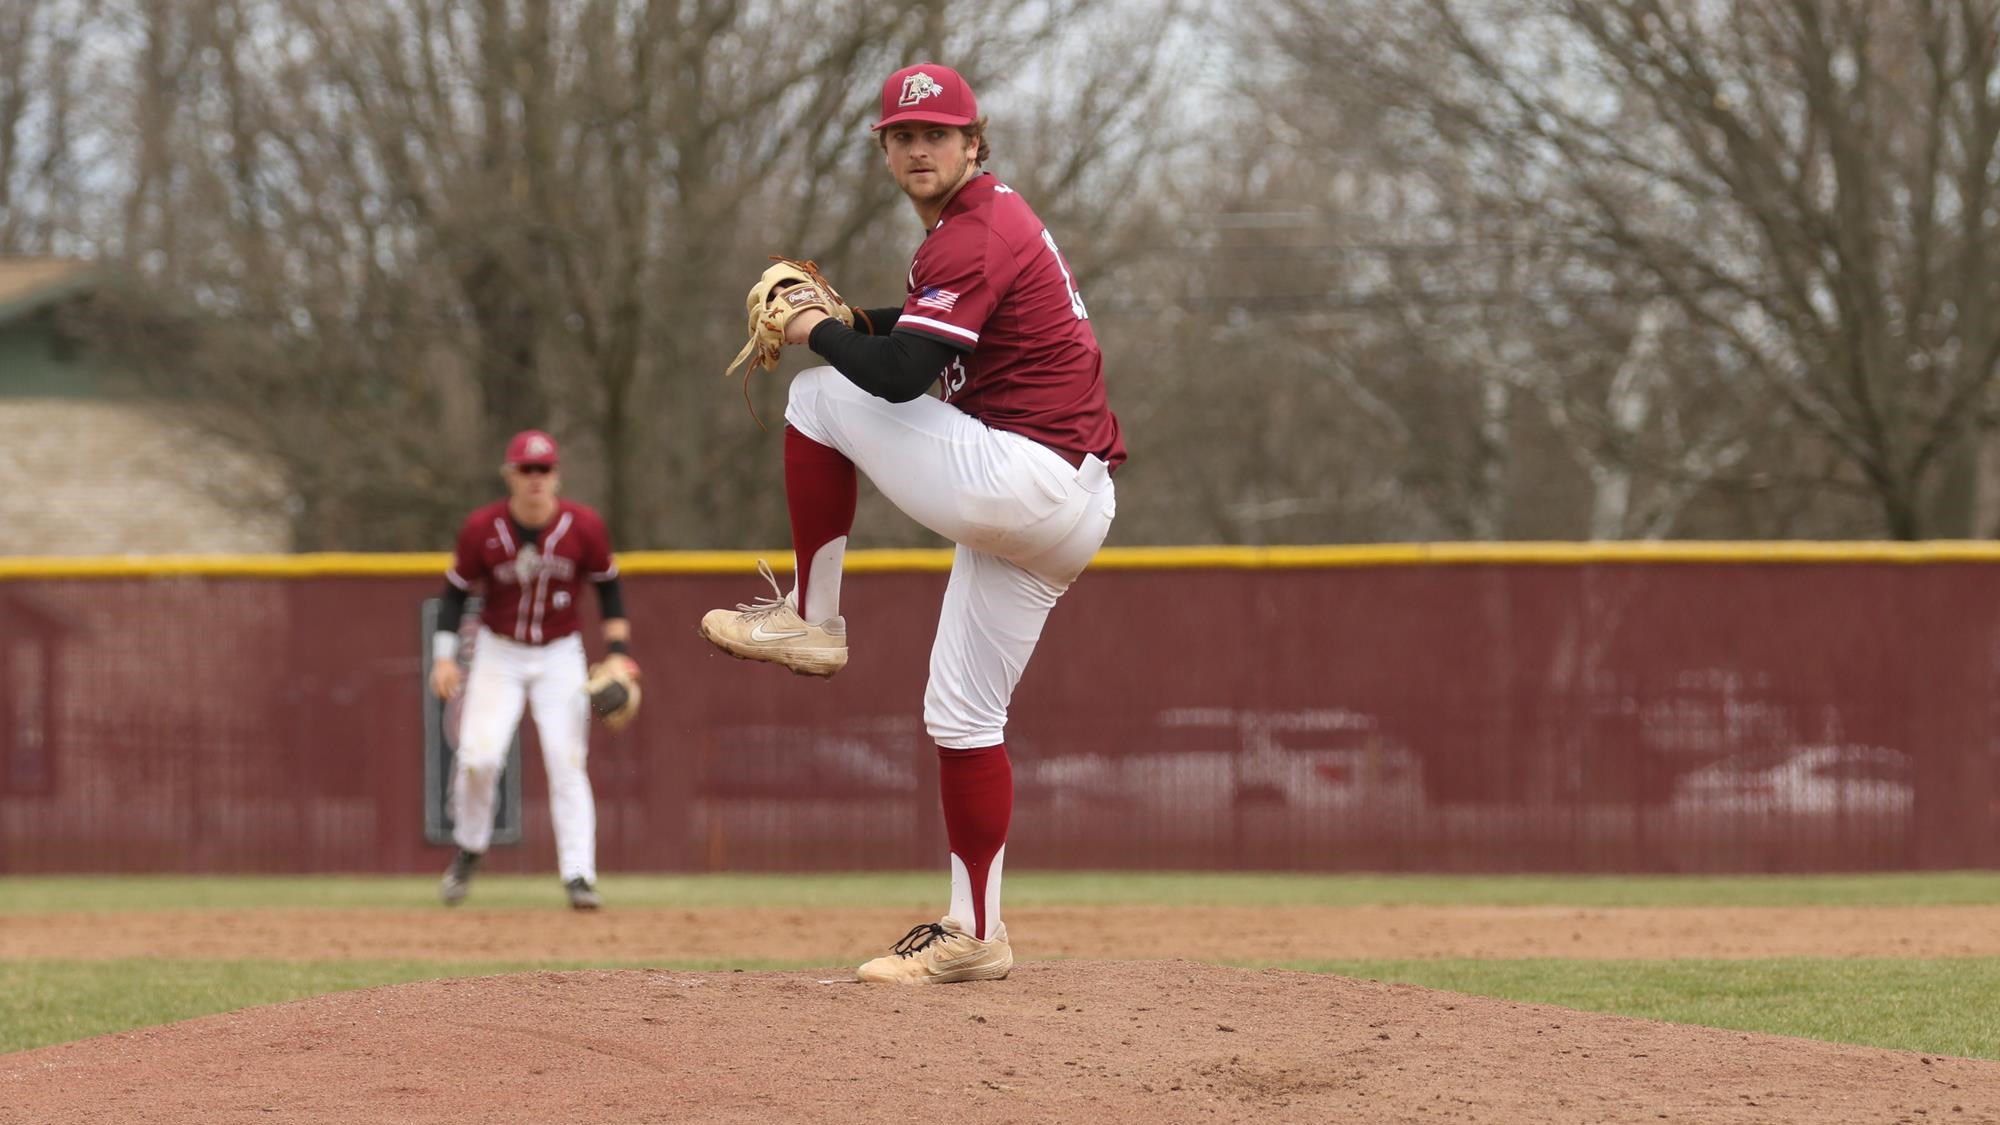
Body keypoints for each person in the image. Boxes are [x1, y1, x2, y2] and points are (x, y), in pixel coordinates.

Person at [699, 63, 1124, 983]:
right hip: (1069, 504)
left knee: (817, 395)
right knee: (964, 714)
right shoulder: (989, 224)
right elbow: (916, 345)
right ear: (887, 151)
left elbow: (893, 378)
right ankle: (977, 931)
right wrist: (847, 315)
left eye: (939, 133)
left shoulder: (970, 233)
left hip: (1024, 474)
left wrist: (816, 328)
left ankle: (815, 619)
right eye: (904, 135)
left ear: (975, 143)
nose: (920, 147)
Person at [430, 429, 638, 911]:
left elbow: (609, 588)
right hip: (498, 652)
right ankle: (469, 848)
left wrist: (618, 651)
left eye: (543, 469)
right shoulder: (481, 527)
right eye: (526, 469)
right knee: (478, 759)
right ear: (511, 475)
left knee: (567, 763)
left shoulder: (584, 527)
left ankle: (579, 874)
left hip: (560, 654)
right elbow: (454, 595)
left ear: (556, 475)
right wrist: (443, 657)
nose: (535, 478)